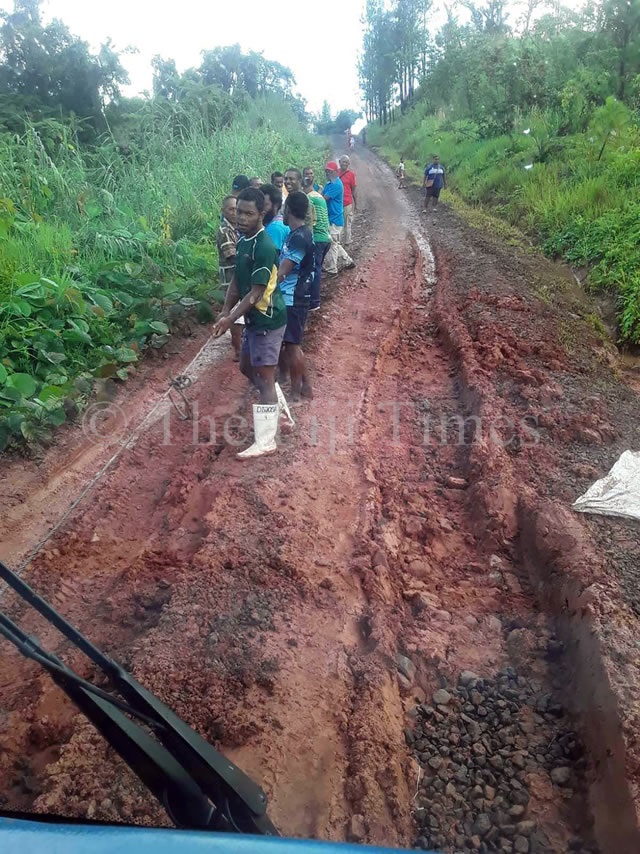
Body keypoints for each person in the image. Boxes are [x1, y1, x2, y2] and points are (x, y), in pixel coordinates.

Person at [212, 187, 293, 459]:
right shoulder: (244, 241)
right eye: (238, 212)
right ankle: (278, 404)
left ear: (262, 214)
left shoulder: (264, 246)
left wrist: (230, 319)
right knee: (248, 367)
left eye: (248, 213)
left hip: (268, 319)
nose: (241, 218)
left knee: (264, 377)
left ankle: (267, 440)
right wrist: (224, 310)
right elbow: (237, 280)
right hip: (254, 320)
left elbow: (256, 292)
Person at [278, 191, 315, 400]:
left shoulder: (300, 238)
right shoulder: (297, 234)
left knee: (292, 346)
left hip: (294, 297)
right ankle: (306, 387)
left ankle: (294, 392)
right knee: (292, 344)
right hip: (292, 296)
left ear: (288, 210)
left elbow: (284, 270)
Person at [216, 195, 243, 360]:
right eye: (230, 209)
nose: (234, 213)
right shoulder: (224, 231)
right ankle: (238, 350)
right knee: (234, 313)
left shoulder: (236, 228)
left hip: (237, 275)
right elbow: (232, 256)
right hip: (231, 277)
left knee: (239, 312)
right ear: (223, 211)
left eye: (236, 209)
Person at [302, 166, 331, 311]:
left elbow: (310, 222)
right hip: (326, 237)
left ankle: (314, 301)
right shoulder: (318, 196)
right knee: (316, 268)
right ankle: (313, 299)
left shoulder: (309, 199)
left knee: (314, 269)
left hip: (318, 238)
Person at [322, 161, 354, 276]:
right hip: (332, 218)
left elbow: (323, 198)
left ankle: (332, 269)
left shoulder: (335, 185)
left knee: (331, 244)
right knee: (334, 242)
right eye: (326, 171)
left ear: (336, 172)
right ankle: (348, 261)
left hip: (335, 219)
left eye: (329, 171)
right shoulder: (330, 183)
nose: (327, 173)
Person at [260, 184, 290, 251]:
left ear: (275, 206)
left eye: (265, 204)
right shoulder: (277, 222)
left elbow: (271, 259)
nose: (261, 208)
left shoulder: (275, 228)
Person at [338, 155, 357, 246]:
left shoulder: (351, 174)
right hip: (337, 203)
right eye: (343, 161)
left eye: (346, 162)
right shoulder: (335, 173)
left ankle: (347, 242)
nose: (344, 164)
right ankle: (338, 242)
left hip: (347, 202)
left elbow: (353, 189)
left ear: (348, 164)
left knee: (347, 223)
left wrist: (355, 202)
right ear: (339, 162)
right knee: (337, 223)